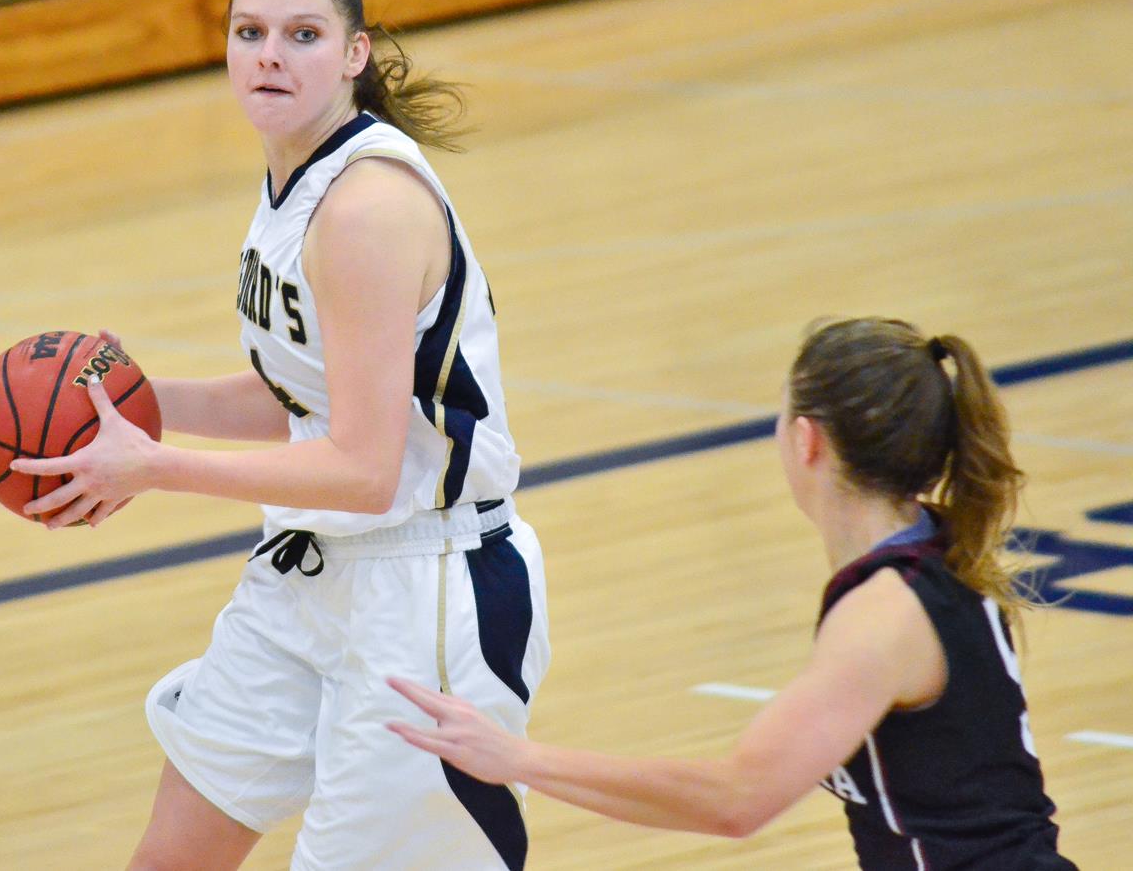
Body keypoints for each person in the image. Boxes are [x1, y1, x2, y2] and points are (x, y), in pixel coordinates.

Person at [11, 0, 549, 871]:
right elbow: (296, 402)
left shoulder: (364, 209)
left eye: (303, 34)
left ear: (354, 54)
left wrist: (156, 466)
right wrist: (131, 403)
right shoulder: (294, 181)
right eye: (249, 31)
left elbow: (364, 467)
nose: (270, 53)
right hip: (311, 574)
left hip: (426, 589)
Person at [389, 317, 1076, 870]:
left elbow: (735, 800)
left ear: (806, 440)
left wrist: (518, 759)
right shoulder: (933, 557)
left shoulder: (886, 615)